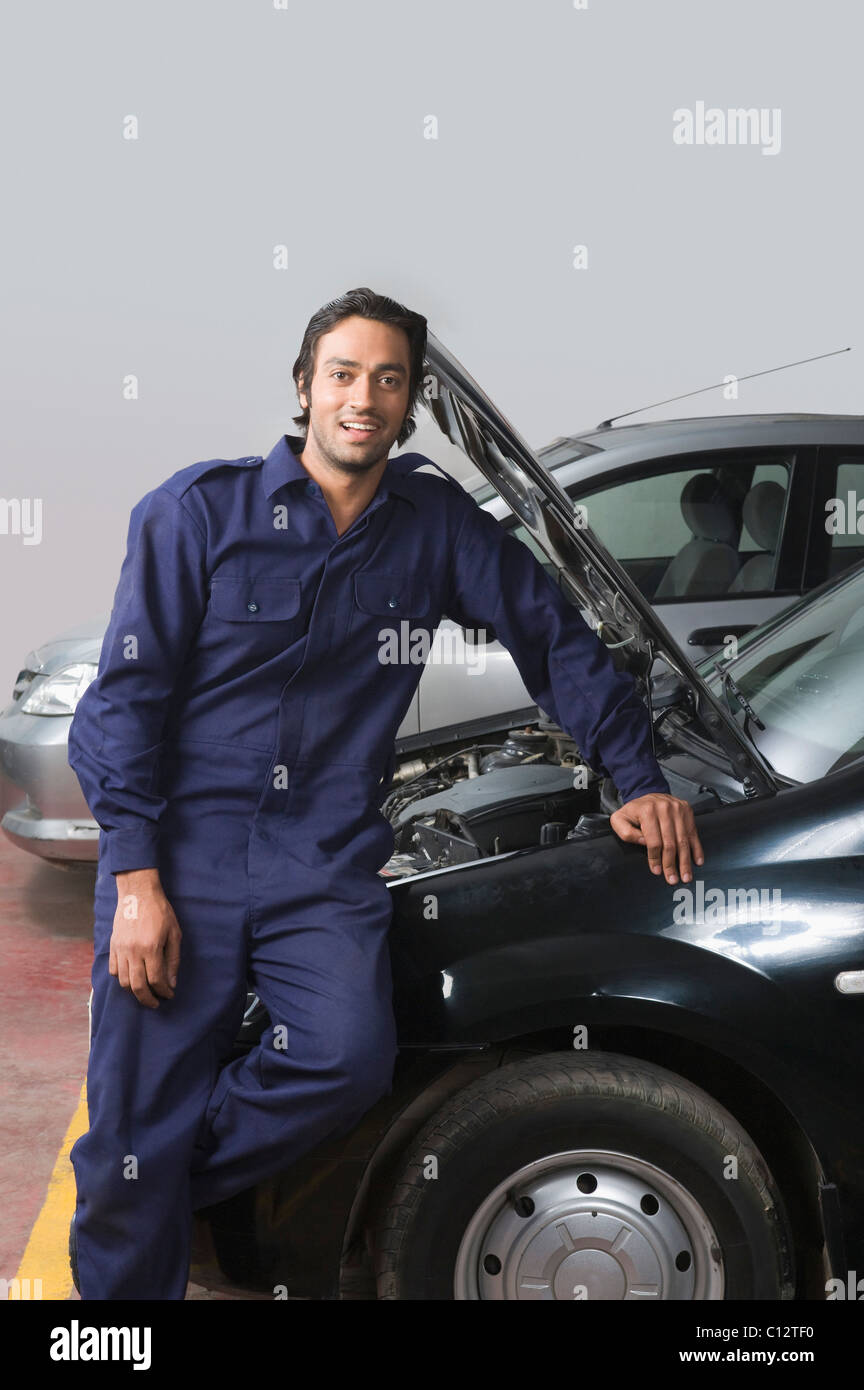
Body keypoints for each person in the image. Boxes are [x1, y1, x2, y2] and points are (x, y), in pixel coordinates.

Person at [66, 286, 704, 1299]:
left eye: (390, 380)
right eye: (346, 375)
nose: (365, 397)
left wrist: (638, 776)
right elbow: (121, 708)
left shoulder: (434, 525)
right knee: (135, 1118)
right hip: (181, 859)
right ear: (305, 387)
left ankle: (154, 1181)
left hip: (320, 863)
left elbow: (551, 635)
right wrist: (136, 878)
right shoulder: (196, 512)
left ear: (410, 404)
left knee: (344, 1060)